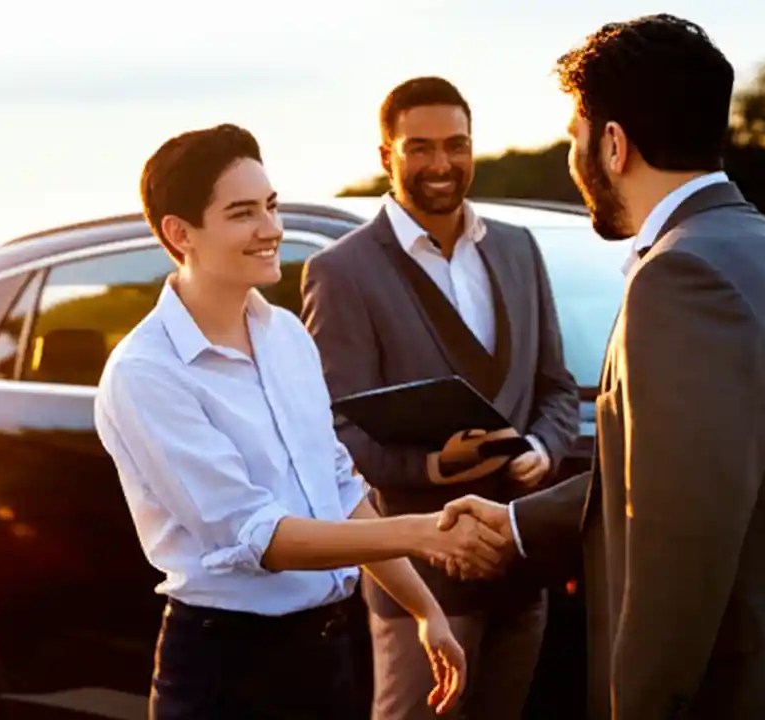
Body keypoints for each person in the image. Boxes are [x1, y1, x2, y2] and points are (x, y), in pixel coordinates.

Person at [438, 14, 765, 720]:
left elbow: (676, 567)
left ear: (613, 145)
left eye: (574, 138)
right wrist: (519, 526)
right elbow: (687, 476)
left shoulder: (681, 279)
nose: (573, 158)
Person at [94, 123, 503, 720]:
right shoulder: (145, 372)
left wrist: (424, 610)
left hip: (328, 650)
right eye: (242, 214)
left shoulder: (285, 334)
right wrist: (422, 531)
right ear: (179, 234)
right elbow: (262, 538)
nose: (271, 230)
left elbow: (337, 485)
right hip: (226, 671)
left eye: (271, 205)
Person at [301, 77, 580, 720]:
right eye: (419, 147)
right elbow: (333, 428)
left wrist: (543, 446)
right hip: (420, 563)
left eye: (455, 145)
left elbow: (556, 386)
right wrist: (429, 468)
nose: (440, 164)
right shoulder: (343, 271)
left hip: (520, 554)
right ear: (386, 157)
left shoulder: (517, 247)